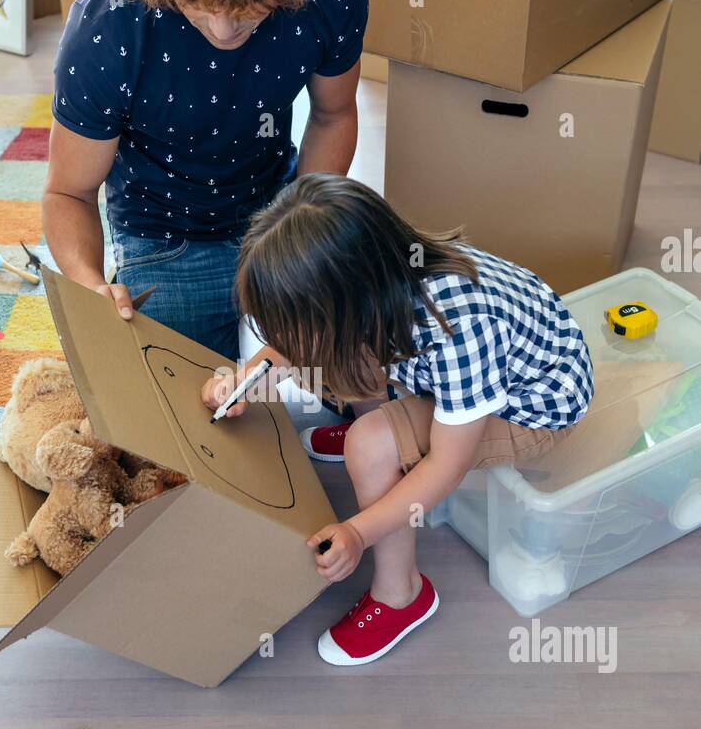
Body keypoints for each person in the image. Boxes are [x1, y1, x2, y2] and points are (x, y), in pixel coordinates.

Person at [202, 175, 594, 667]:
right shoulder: (380, 278)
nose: (286, 341)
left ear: (350, 301)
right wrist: (241, 381)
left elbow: (447, 467)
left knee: (369, 445)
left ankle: (402, 594)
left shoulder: (459, 326)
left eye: (299, 323)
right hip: (466, 373)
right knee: (345, 368)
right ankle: (387, 437)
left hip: (532, 407)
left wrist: (359, 533)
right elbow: (296, 338)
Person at [44, 0, 368, 358]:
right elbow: (68, 192)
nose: (224, 31)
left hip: (277, 209)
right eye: (200, 4)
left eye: (247, 9)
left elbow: (333, 117)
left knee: (361, 362)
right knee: (180, 419)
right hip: (161, 235)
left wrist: (307, 235)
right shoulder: (107, 24)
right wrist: (90, 285)